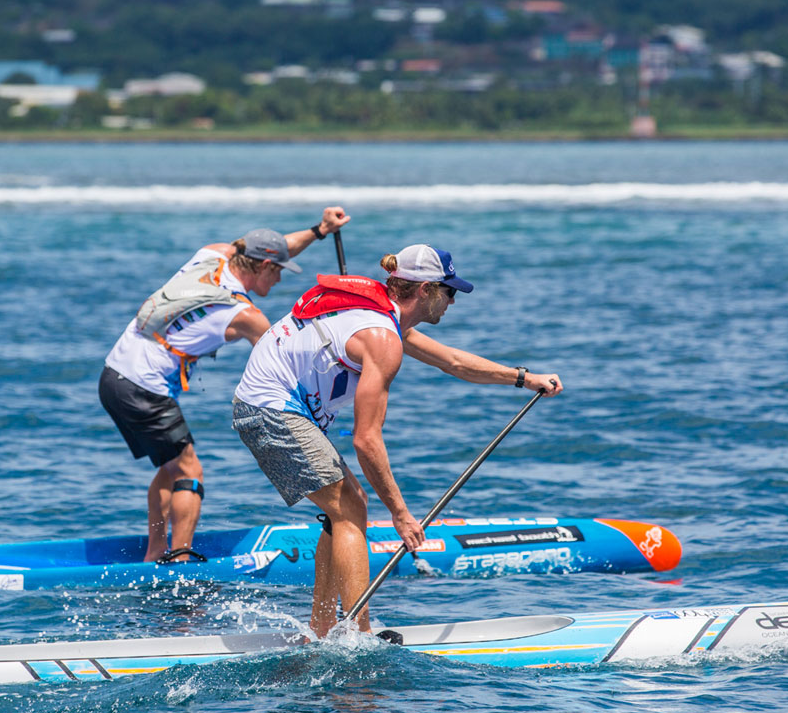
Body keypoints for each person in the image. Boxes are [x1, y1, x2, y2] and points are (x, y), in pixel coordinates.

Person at [231, 244, 563, 637]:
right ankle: (359, 636)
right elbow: (366, 440)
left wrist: (524, 378)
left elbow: (453, 362)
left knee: (346, 509)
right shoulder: (382, 337)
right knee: (351, 507)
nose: (453, 302)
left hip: (266, 404)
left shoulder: (378, 314)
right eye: (449, 292)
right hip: (271, 409)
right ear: (425, 290)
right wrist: (401, 514)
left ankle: (321, 629)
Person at [100, 207, 351, 563]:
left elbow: (275, 246)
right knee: (190, 471)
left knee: (171, 467)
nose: (280, 280)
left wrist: (320, 230)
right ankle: (180, 562)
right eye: (278, 271)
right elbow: (285, 361)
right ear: (264, 267)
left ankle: (155, 555)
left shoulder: (214, 254)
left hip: (114, 375)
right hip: (144, 388)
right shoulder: (246, 315)